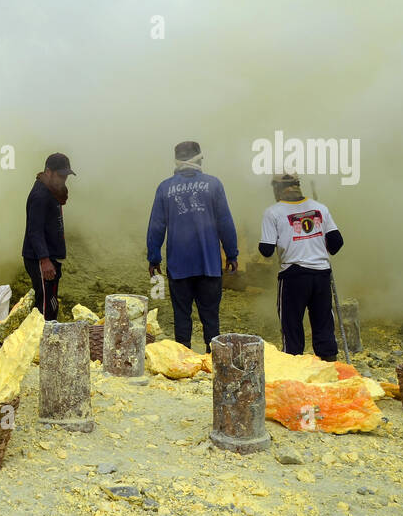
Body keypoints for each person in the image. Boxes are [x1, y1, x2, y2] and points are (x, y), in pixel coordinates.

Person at [146, 140, 238, 352]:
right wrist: (232, 254)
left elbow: (156, 226)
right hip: (209, 265)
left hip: (179, 266)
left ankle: (183, 357)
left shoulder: (165, 187)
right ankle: (213, 358)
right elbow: (225, 221)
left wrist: (154, 257)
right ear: (199, 158)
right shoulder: (213, 184)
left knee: (181, 315)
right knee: (210, 316)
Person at [258, 173, 344, 360]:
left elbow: (266, 249)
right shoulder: (319, 208)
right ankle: (329, 364)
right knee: (323, 323)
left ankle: (294, 364)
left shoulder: (273, 212)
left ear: (277, 189)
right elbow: (337, 242)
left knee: (292, 325)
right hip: (321, 274)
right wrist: (317, 242)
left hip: (293, 276)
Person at [22, 152, 75, 320]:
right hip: (40, 259)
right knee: (45, 306)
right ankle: (41, 342)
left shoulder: (53, 191)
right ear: (48, 172)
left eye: (66, 176)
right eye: (60, 176)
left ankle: (49, 339)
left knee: (50, 303)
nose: (63, 180)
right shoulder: (41, 195)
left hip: (50, 258)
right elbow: (34, 230)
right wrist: (44, 260)